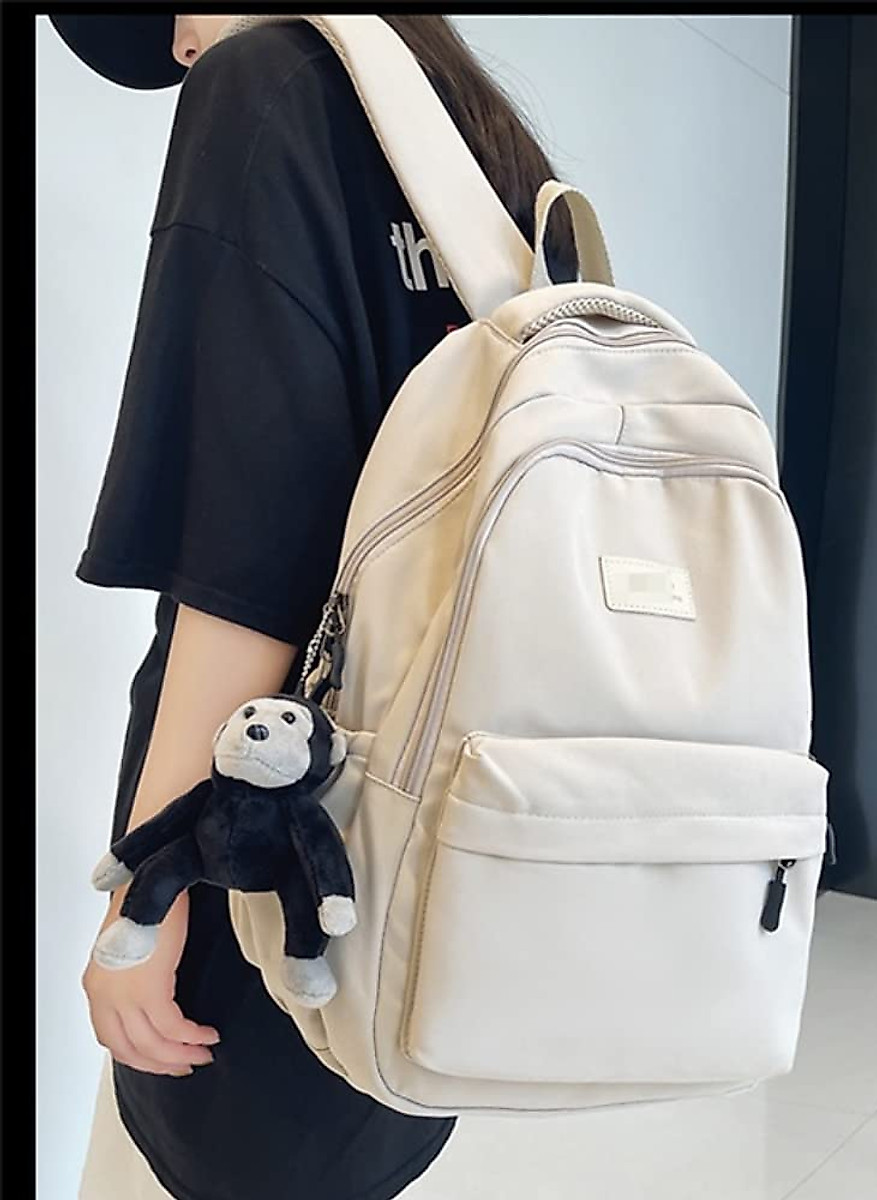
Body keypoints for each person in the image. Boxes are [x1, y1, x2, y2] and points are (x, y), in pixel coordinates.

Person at [49, 14, 578, 1199]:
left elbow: (247, 565)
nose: (179, 47)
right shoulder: (479, 139)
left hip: (259, 829)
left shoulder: (263, 88)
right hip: (438, 825)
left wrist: (148, 891)